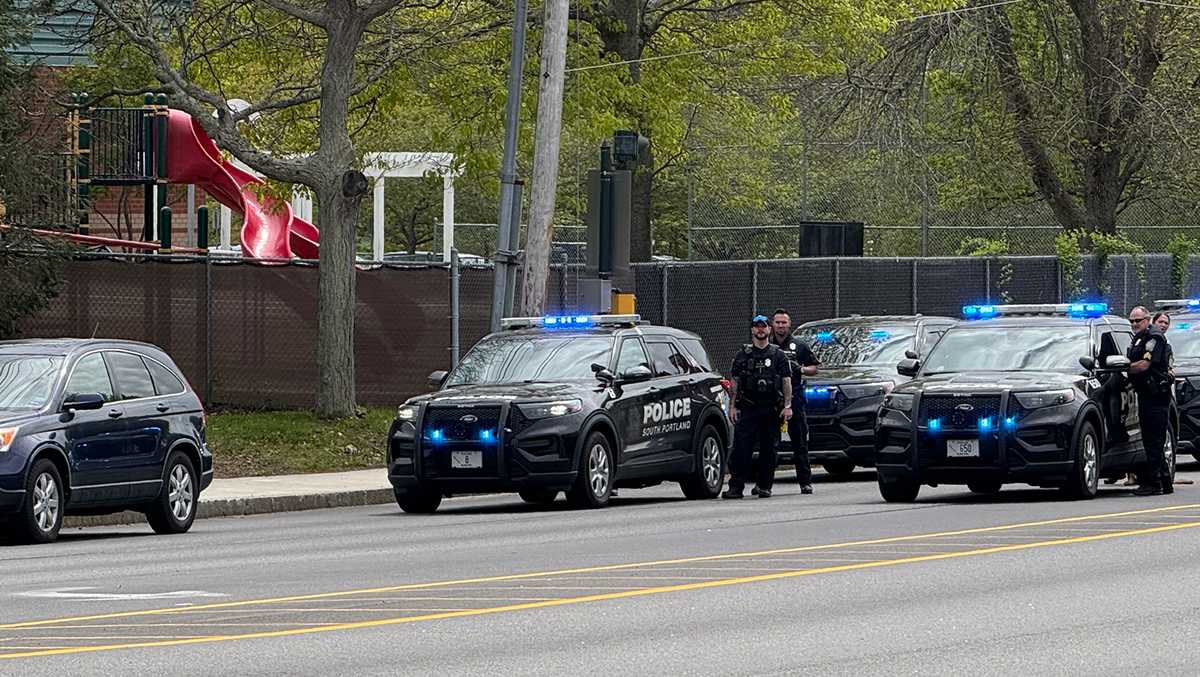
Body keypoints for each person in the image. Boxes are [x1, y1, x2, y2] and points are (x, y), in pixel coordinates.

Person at [725, 315, 792, 499]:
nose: (760, 330)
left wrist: (787, 405)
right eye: (757, 326)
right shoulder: (742, 355)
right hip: (748, 408)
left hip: (771, 409)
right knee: (741, 450)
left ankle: (764, 486)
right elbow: (735, 382)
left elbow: (786, 381)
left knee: (769, 450)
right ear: (752, 330)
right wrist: (732, 406)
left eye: (764, 326)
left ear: (769, 330)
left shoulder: (778, 355)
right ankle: (736, 488)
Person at [769, 308, 820, 494]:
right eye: (777, 322)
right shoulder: (768, 347)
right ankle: (764, 484)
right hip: (772, 401)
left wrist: (800, 369)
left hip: (795, 401)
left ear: (789, 324)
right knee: (770, 443)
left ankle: (805, 482)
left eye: (784, 322)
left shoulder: (799, 346)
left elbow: (815, 368)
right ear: (772, 325)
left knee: (799, 443)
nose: (781, 326)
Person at [1127, 306, 1173, 496]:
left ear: (1148, 320)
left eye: (1138, 320)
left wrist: (1125, 368)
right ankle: (1163, 482)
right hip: (1146, 394)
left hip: (1155, 396)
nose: (1134, 324)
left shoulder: (1154, 338)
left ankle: (1155, 483)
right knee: (1151, 439)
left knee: (1154, 440)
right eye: (1131, 321)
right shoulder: (1140, 337)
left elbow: (1144, 365)